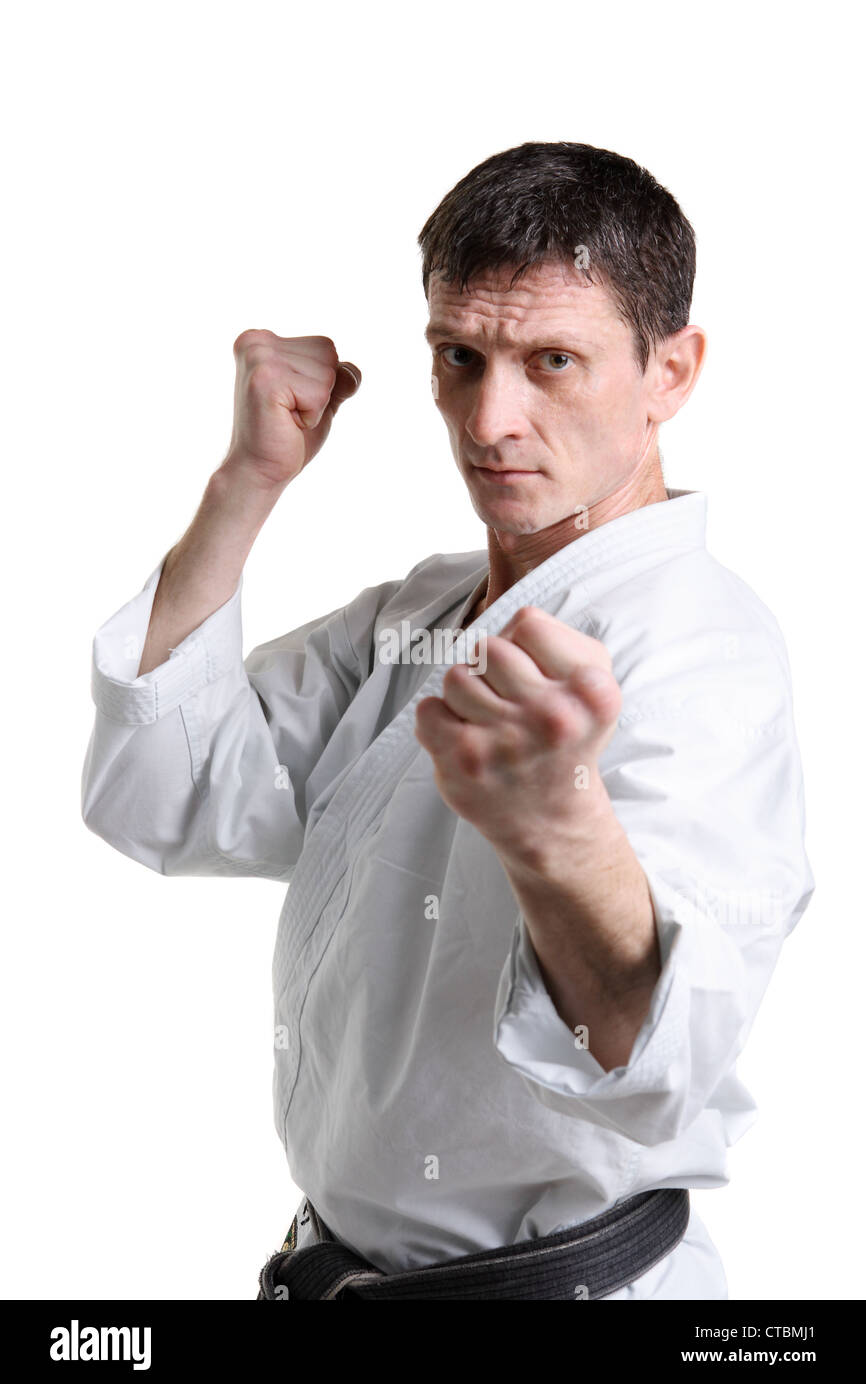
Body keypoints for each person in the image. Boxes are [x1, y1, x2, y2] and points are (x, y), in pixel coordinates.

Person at [81, 141, 814, 1300]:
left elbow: (658, 1056)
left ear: (669, 372)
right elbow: (168, 795)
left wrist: (554, 830)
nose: (489, 418)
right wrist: (248, 483)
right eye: (458, 357)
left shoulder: (699, 645)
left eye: (552, 361)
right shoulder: (422, 609)